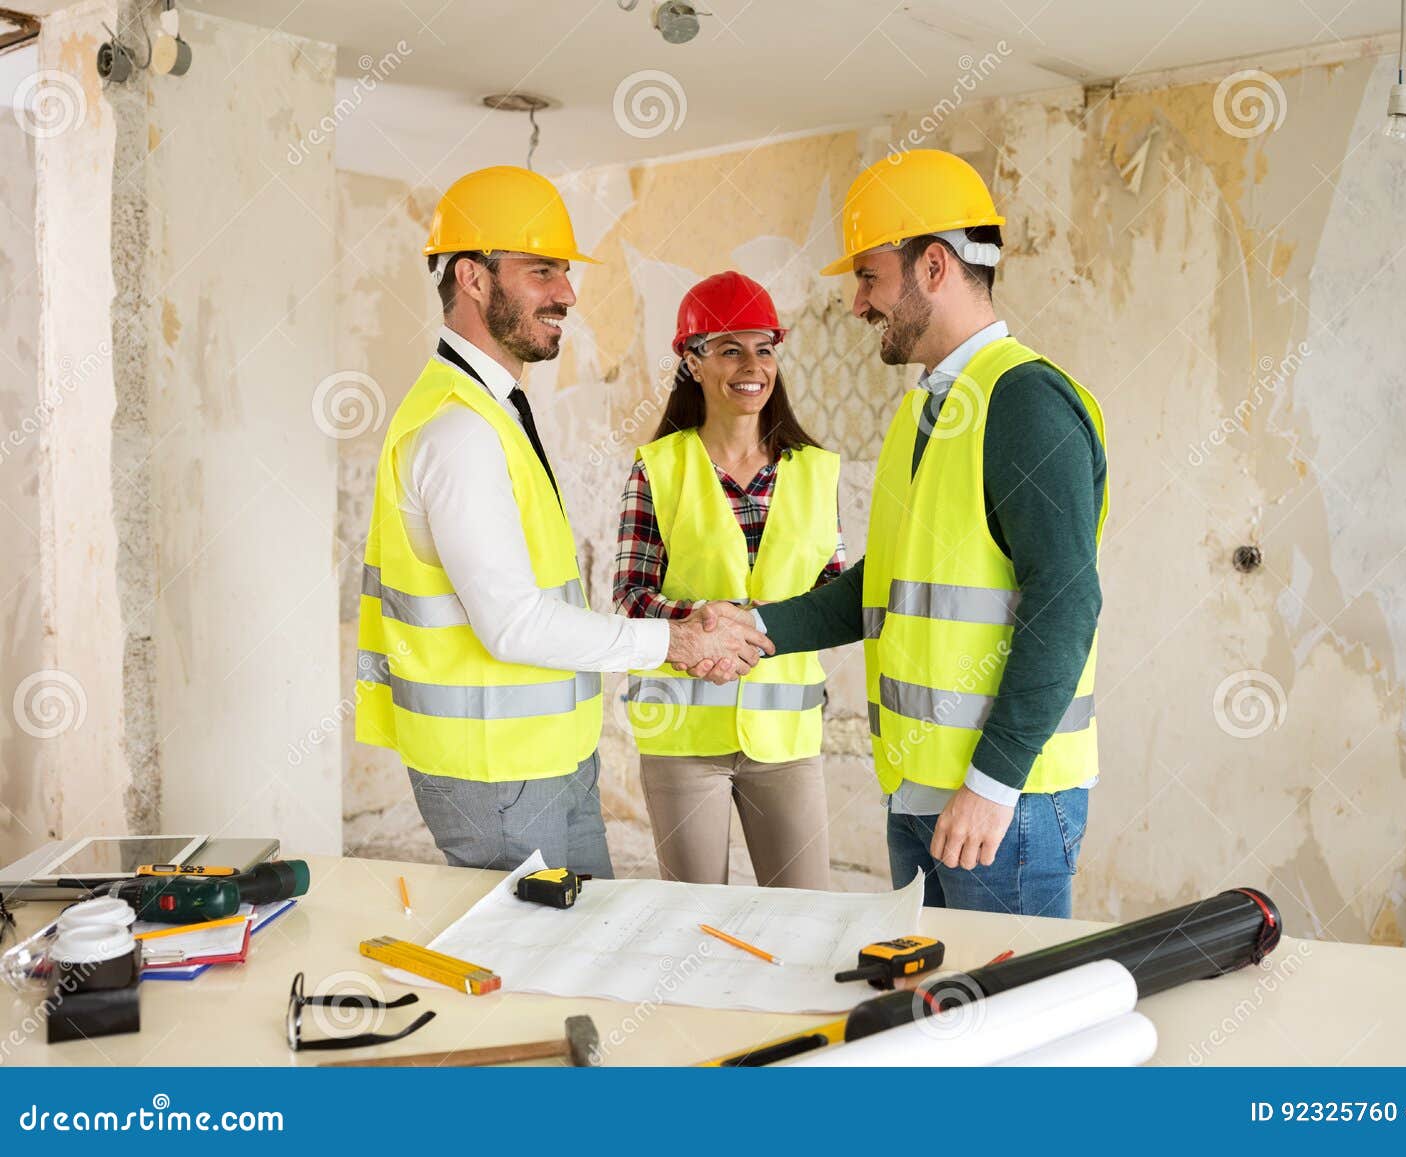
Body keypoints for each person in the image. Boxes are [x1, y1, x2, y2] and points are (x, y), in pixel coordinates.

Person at [704, 150, 1108, 918]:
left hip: (1003, 808)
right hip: (920, 791)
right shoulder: (922, 410)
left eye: (868, 276)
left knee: (1001, 1030)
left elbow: (1066, 604)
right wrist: (755, 629)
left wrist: (991, 785)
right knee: (936, 1015)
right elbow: (881, 584)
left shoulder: (1025, 402)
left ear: (931, 266)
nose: (858, 304)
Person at [354, 167, 772, 874]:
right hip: (498, 775)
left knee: (585, 952)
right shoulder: (458, 431)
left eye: (566, 272)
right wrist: (669, 640)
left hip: (542, 759)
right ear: (473, 279)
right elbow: (513, 623)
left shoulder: (493, 413)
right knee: (537, 973)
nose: (568, 293)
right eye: (543, 269)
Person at [615, 271, 845, 889]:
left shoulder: (817, 472)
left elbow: (835, 589)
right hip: (682, 738)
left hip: (787, 738)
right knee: (693, 922)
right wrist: (701, 622)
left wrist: (774, 619)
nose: (753, 366)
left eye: (764, 348)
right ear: (692, 363)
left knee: (805, 920)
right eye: (729, 349)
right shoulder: (658, 468)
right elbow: (630, 597)